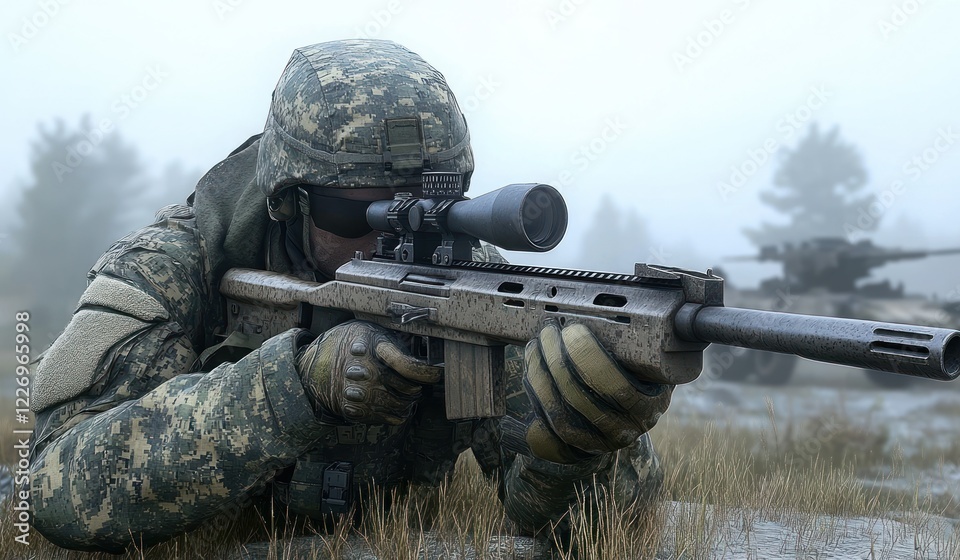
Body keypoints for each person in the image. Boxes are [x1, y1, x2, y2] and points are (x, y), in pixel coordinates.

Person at [28, 39, 671, 553]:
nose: (388, 237)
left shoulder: (477, 287)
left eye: (429, 209)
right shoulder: (174, 266)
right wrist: (296, 387)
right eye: (353, 213)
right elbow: (50, 490)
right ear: (289, 201)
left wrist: (582, 446)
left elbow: (586, 531)